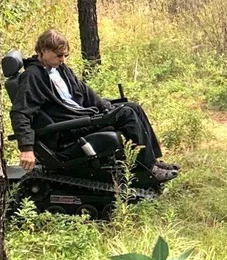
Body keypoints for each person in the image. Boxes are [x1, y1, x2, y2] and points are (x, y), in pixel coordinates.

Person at [10, 29, 177, 184]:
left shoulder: (60, 69)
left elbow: (85, 92)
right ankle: (147, 171)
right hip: (68, 127)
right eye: (59, 55)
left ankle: (153, 161)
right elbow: (20, 113)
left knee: (132, 107)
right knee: (126, 114)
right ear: (43, 50)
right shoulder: (32, 77)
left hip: (80, 115)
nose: (62, 60)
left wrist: (106, 107)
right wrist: (26, 148)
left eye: (65, 55)